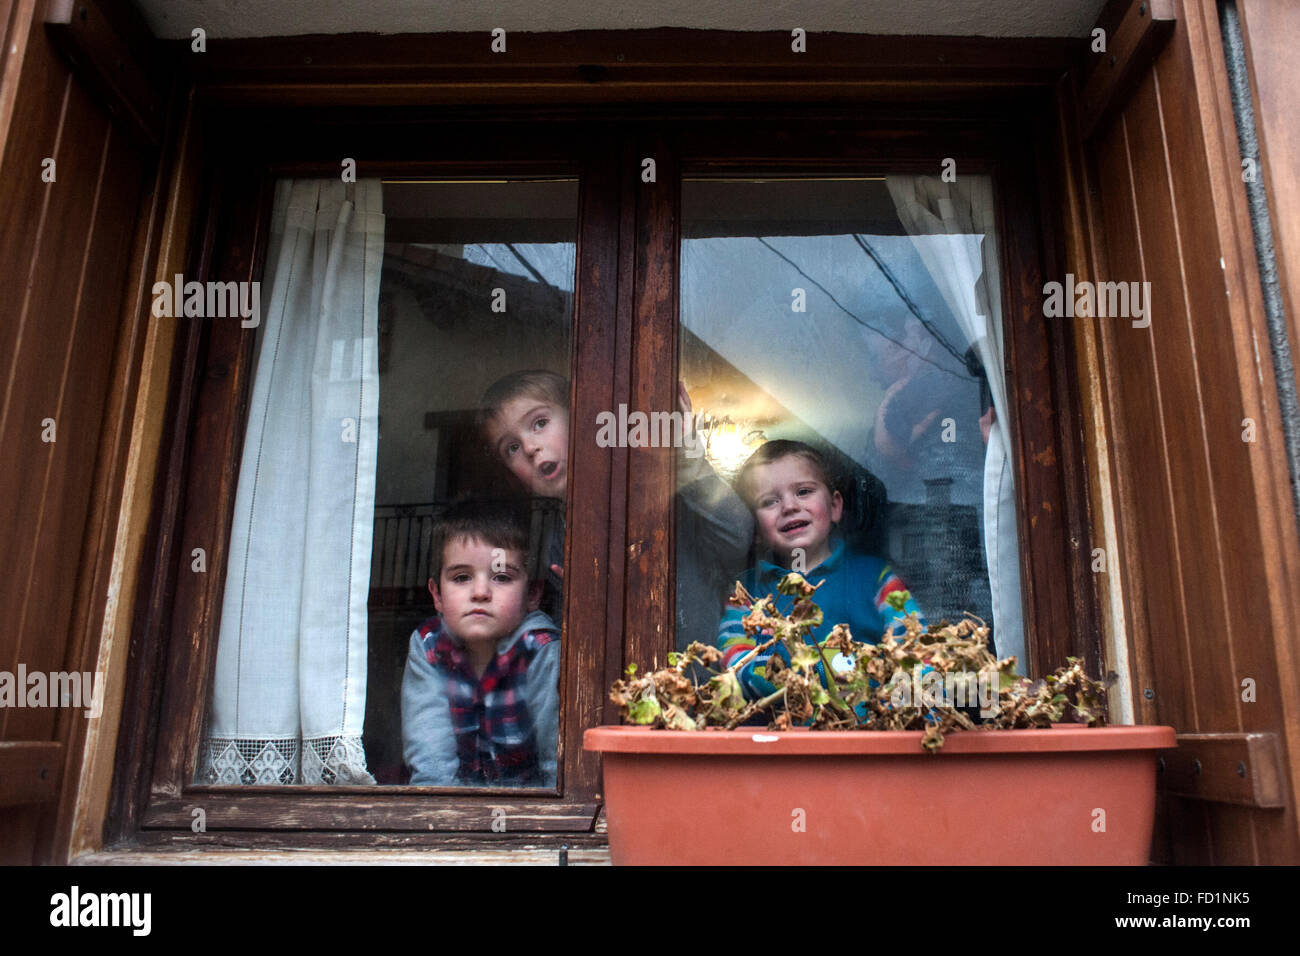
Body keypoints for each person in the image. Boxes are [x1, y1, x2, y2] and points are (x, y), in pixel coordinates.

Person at [476, 369, 752, 650]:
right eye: (511, 447)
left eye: (540, 423)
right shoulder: (560, 543)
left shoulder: (662, 494)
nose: (530, 446)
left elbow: (737, 536)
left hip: (700, 684)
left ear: (580, 419)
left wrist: (687, 456)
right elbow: (576, 648)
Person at [716, 439, 922, 699]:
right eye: (770, 501)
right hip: (780, 735)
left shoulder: (877, 580)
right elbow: (735, 671)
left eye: (803, 491)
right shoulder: (744, 596)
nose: (790, 506)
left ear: (835, 506)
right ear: (755, 530)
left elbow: (919, 654)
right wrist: (821, 669)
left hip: (871, 733)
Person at [401, 499, 560, 787]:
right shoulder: (429, 646)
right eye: (461, 577)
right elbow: (432, 770)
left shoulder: (541, 650)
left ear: (533, 594)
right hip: (454, 816)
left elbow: (559, 771)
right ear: (436, 595)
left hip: (531, 816)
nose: (480, 592)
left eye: (501, 577)